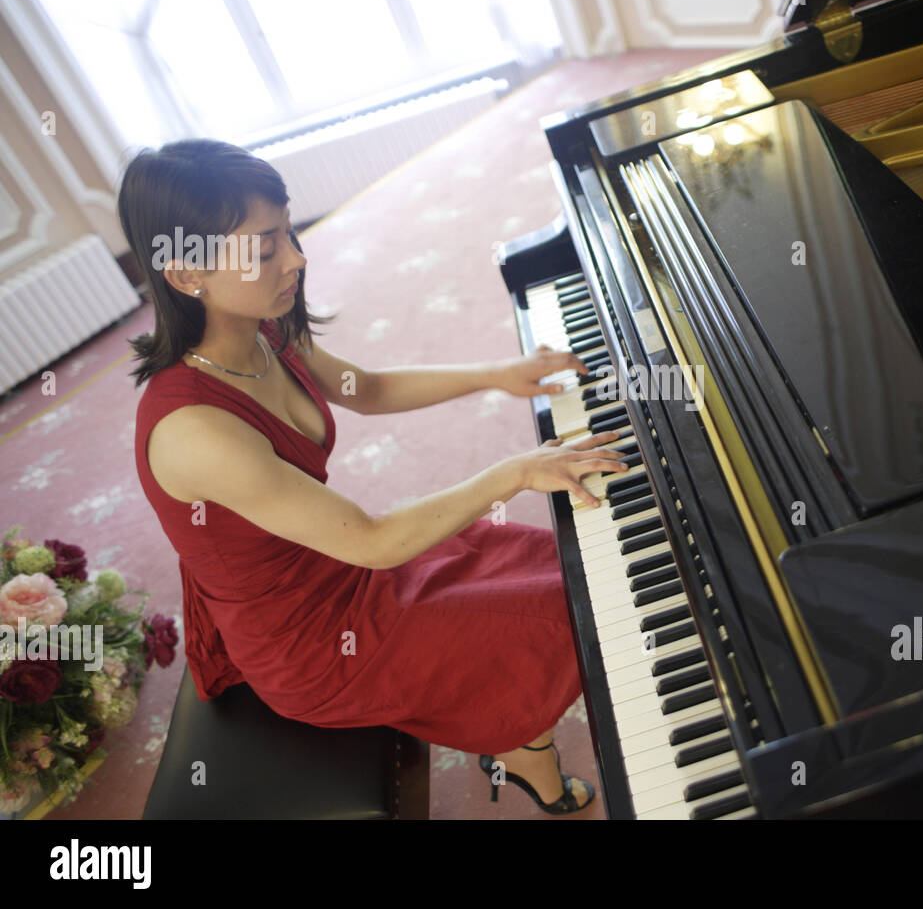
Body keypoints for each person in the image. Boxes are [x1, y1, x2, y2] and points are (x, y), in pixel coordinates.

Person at [122, 139, 627, 814]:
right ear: (189, 275)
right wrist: (517, 472)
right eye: (266, 249)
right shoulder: (194, 430)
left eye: (289, 231)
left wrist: (497, 375)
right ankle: (524, 748)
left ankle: (518, 741)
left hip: (342, 558)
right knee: (560, 618)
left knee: (572, 574)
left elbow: (370, 388)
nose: (297, 258)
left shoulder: (262, 329)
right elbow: (372, 540)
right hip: (311, 638)